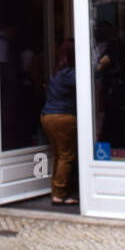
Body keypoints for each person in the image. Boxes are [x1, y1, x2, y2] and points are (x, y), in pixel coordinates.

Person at [40, 39, 78, 205]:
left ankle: (56, 190)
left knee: (58, 154)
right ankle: (60, 192)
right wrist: (99, 66)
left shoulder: (56, 72)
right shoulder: (69, 73)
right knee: (66, 155)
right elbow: (87, 81)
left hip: (47, 116)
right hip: (63, 117)